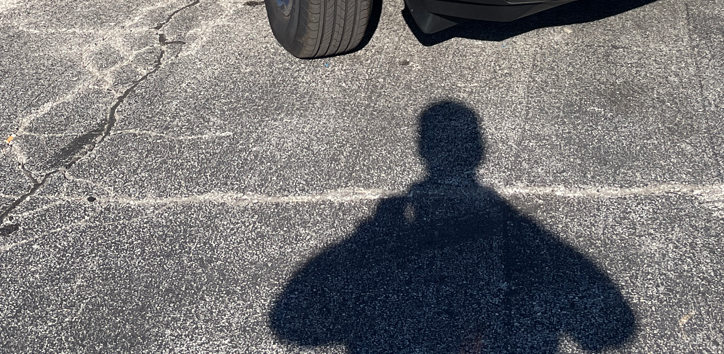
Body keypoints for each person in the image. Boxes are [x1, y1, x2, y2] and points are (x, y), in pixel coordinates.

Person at [270, 101, 636, 353]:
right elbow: (612, 327)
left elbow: (290, 322)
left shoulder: (385, 230)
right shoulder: (518, 229)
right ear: (478, 150)